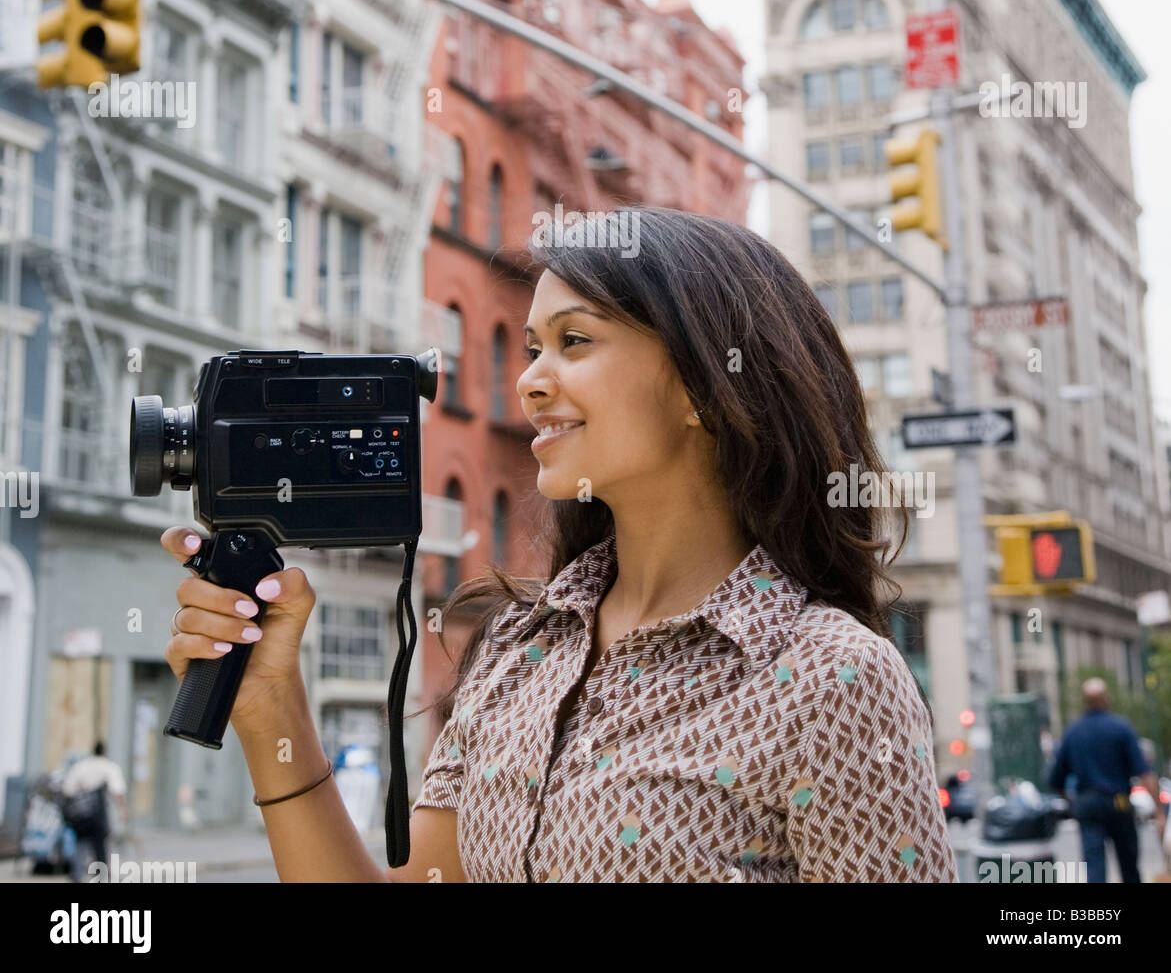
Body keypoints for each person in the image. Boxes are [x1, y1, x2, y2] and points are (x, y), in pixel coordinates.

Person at [160, 204, 957, 882]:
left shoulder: (829, 677)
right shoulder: (517, 650)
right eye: (534, 345)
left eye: (574, 342)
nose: (531, 379)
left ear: (702, 386)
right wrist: (270, 707)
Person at [1047, 678, 1166, 883]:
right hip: (1118, 801)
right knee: (1129, 863)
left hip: (1087, 803)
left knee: (1094, 866)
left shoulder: (1073, 731)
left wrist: (1073, 802)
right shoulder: (1120, 728)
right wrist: (1159, 811)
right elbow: (1145, 773)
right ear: (1106, 699)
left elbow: (1056, 778)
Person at [60, 741, 127, 882]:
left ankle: (77, 874)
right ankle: (100, 875)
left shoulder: (80, 766)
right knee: (100, 845)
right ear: (104, 751)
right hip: (98, 814)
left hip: (79, 814)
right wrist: (122, 810)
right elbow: (118, 791)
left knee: (80, 843)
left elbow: (68, 789)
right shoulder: (109, 767)